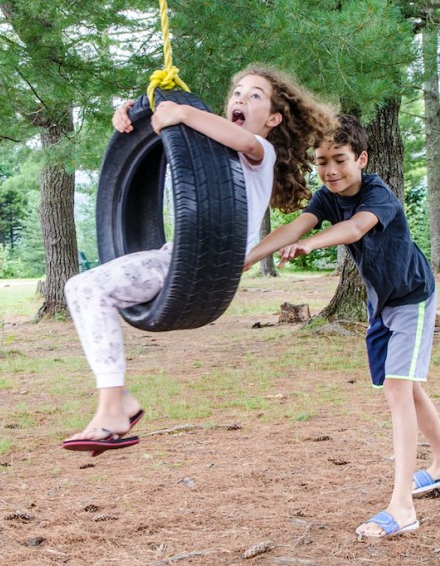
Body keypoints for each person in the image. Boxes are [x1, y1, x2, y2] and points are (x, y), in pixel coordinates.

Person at [62, 66, 334, 455]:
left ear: (273, 119)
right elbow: (157, 132)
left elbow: (243, 140)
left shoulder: (260, 152)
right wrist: (132, 117)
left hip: (199, 261)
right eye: (236, 92)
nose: (240, 99)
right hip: (181, 258)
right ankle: (119, 402)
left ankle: (113, 407)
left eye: (255, 96)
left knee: (85, 288)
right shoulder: (206, 152)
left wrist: (183, 112)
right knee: (85, 290)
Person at [243, 115, 440, 538]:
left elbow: (355, 227)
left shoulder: (379, 195)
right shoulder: (328, 195)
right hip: (380, 304)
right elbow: (295, 225)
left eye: (340, 160)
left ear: (361, 158)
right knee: (407, 387)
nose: (330, 170)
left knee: (399, 391)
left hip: (413, 298)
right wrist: (247, 259)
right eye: (322, 161)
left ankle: (401, 507)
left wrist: (311, 243)